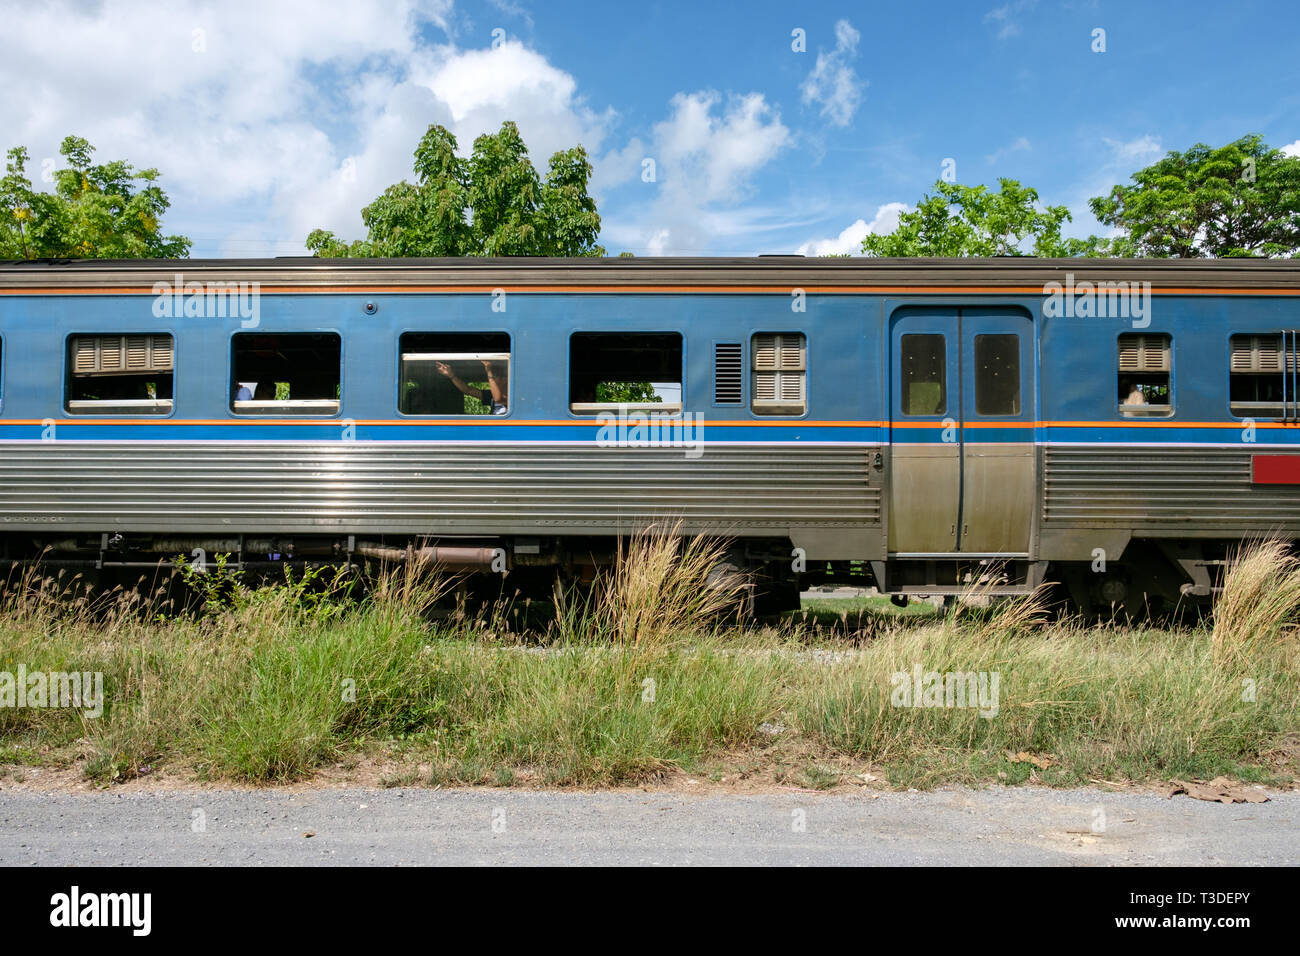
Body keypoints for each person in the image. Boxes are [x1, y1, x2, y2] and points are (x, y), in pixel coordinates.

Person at [434, 359, 508, 414]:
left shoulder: (512, 397)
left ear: (505, 380)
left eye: (495, 377)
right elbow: (468, 390)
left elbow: (498, 399)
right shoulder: (490, 395)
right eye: (493, 377)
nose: (492, 380)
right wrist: (451, 375)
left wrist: (489, 371)